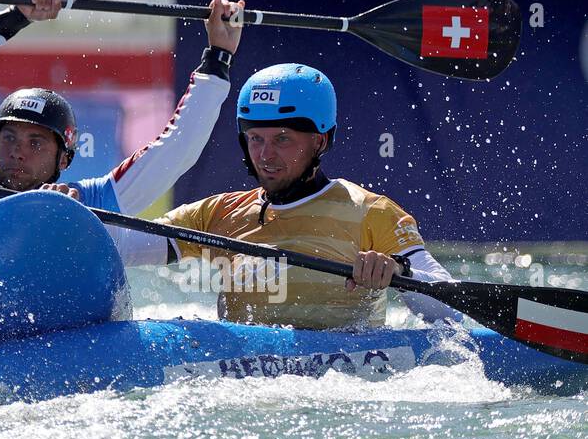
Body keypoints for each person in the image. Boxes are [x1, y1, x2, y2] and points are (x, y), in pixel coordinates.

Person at [0, 0, 245, 250]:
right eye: (9, 137)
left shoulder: (86, 203)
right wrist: (17, 16)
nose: (17, 150)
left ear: (64, 161)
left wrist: (217, 59)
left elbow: (177, 150)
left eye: (36, 143)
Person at [151, 63, 456, 328]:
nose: (265, 155)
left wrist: (400, 270)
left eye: (282, 139)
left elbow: (451, 314)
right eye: (255, 139)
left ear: (320, 142)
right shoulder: (216, 213)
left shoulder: (371, 211)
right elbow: (123, 245)